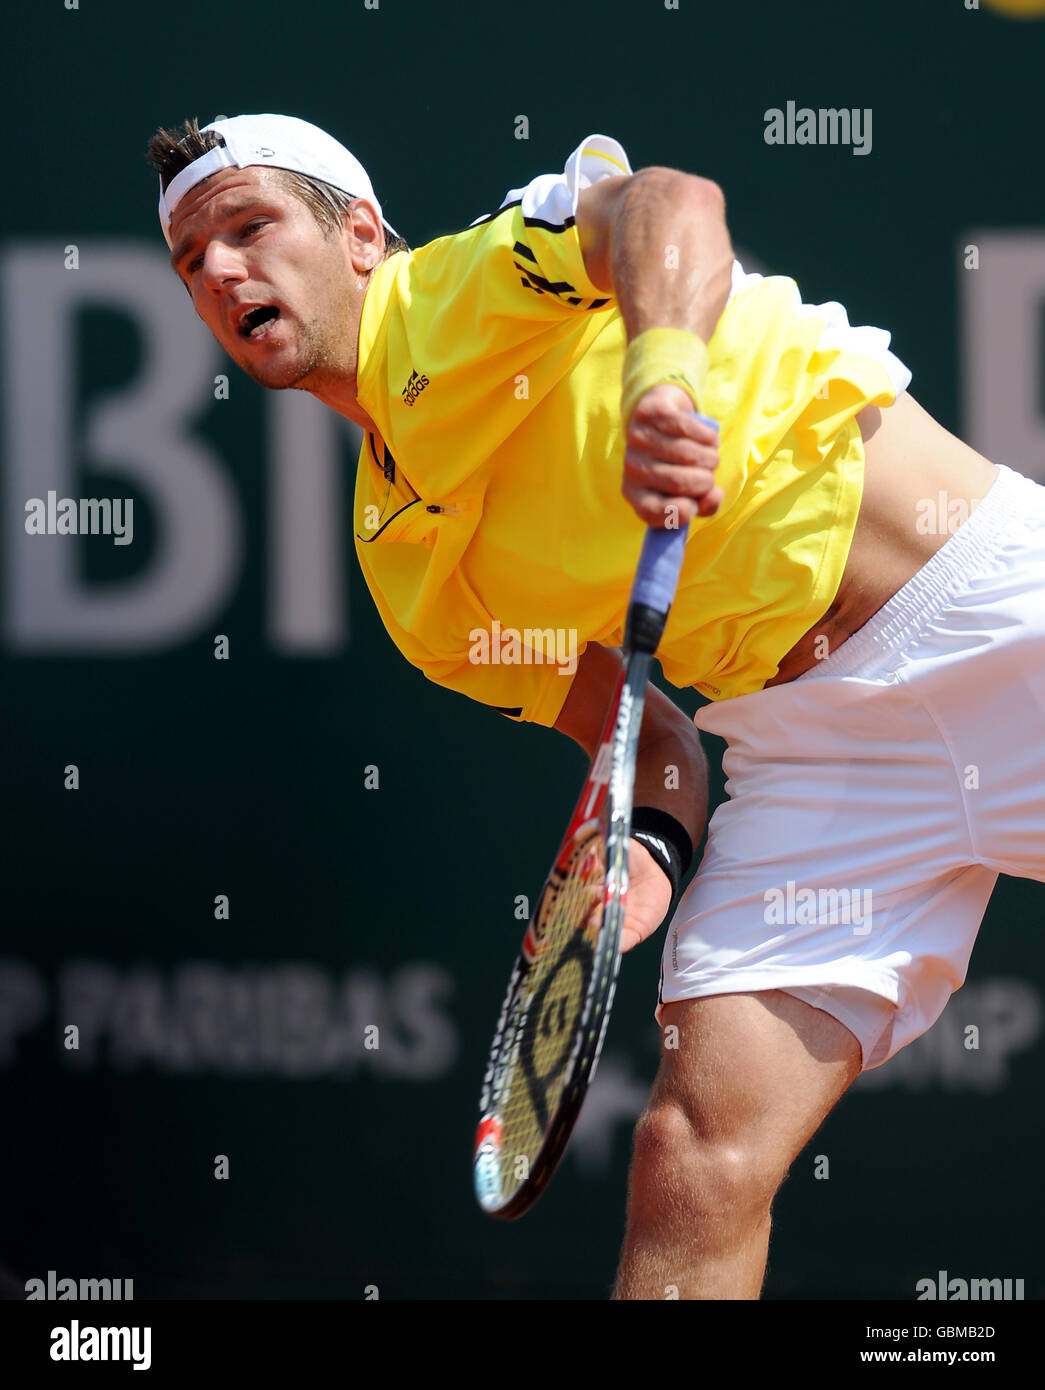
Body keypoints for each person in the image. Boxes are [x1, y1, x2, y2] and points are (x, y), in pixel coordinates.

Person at [147, 113, 1044, 1299]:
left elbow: (672, 205)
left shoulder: (474, 279)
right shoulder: (403, 569)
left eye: (249, 226)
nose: (219, 270)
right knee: (693, 1158)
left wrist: (662, 387)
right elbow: (648, 736)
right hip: (814, 749)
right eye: (191, 261)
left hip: (990, 621)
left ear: (358, 233)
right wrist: (650, 852)